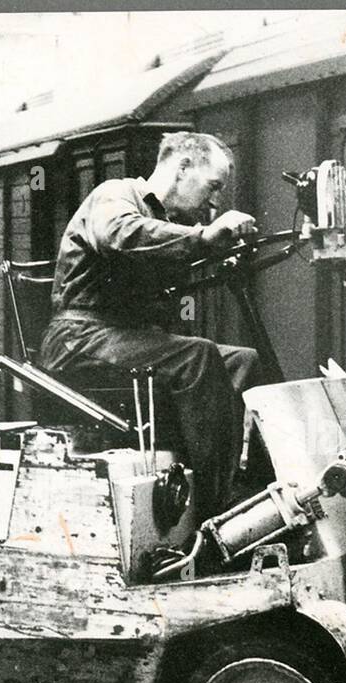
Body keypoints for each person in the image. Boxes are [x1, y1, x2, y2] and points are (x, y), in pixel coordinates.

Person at [39, 131, 264, 521]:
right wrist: (203, 237)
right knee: (198, 356)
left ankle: (254, 488)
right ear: (182, 168)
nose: (214, 202)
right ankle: (217, 511)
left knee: (244, 360)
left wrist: (217, 247)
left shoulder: (167, 223)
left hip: (124, 339)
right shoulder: (116, 195)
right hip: (80, 337)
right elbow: (120, 234)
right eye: (213, 186)